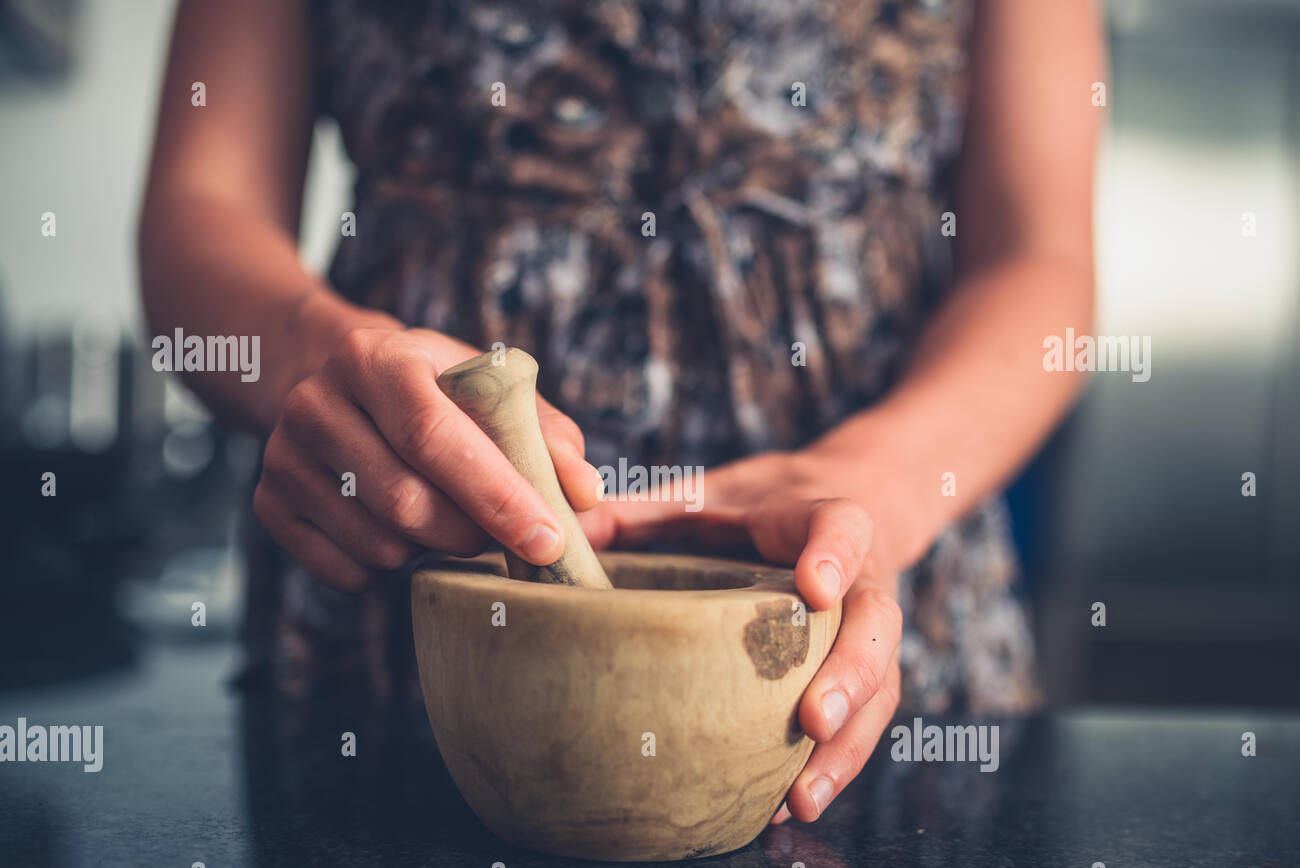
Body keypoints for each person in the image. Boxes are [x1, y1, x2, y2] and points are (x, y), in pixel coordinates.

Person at [139, 0, 1102, 825]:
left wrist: (881, 481)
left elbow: (1039, 256)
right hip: (409, 611)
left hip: (869, 610)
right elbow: (200, 205)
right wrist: (316, 354)